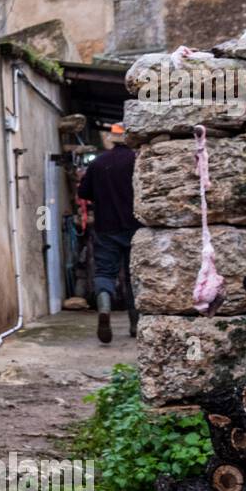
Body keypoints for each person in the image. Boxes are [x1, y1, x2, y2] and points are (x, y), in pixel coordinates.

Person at [77, 123, 142, 343]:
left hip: (106, 227)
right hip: (136, 226)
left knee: (105, 272)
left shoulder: (98, 163)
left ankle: (104, 310)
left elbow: (83, 192)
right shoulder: (137, 160)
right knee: (135, 275)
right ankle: (135, 324)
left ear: (111, 140)